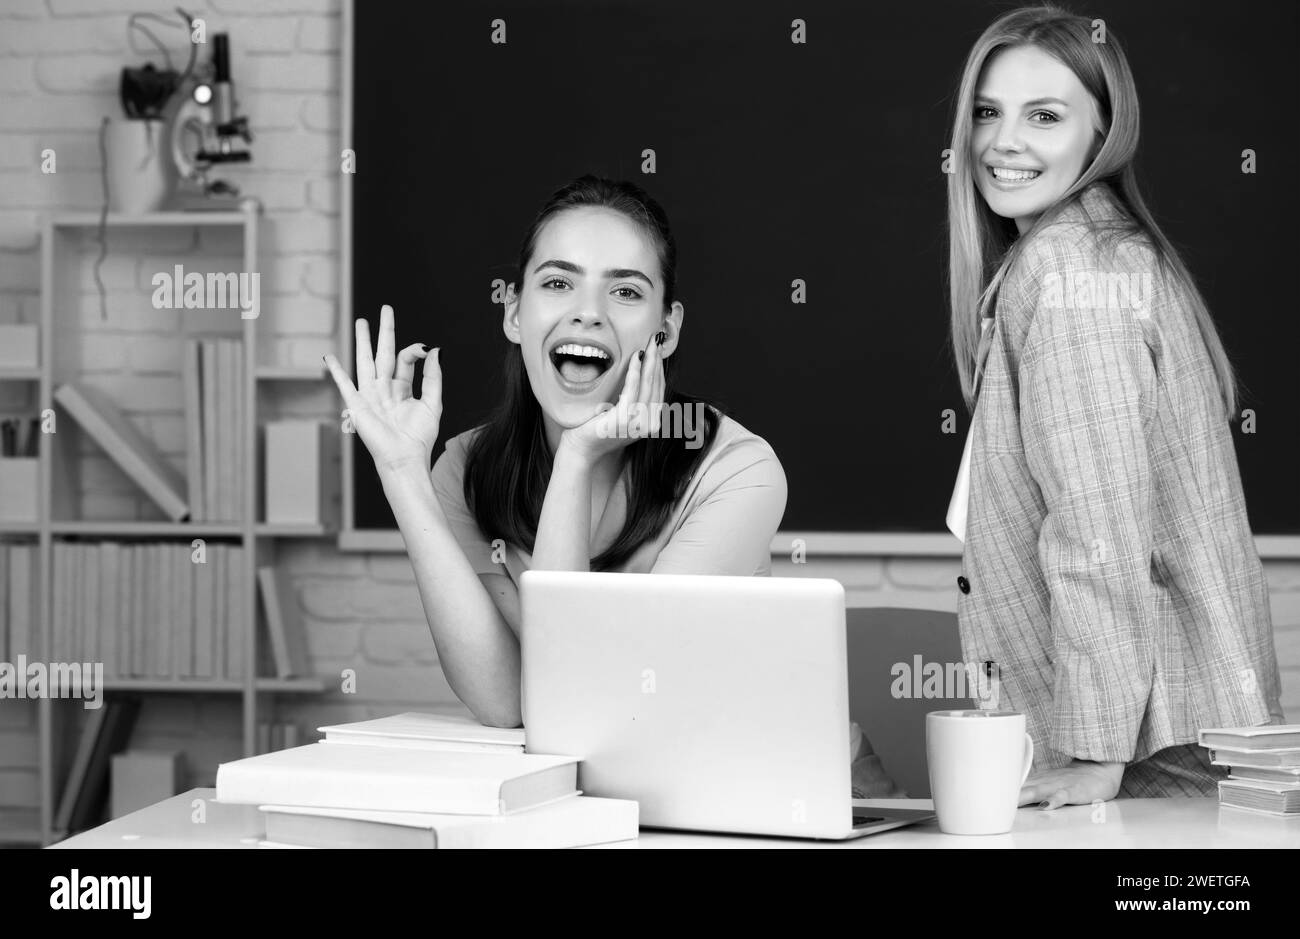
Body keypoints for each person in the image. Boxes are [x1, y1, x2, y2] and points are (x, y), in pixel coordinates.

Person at [943, 5, 1284, 807]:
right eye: (987, 113)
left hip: (1142, 753)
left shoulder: (1068, 272)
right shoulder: (1101, 254)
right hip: (1175, 740)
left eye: (1045, 116)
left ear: (1103, 137)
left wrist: (1093, 752)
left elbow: (1096, 529)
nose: (1003, 143)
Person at [324, 175, 787, 728]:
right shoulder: (466, 471)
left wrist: (574, 457)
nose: (588, 313)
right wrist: (402, 472)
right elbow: (504, 703)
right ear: (515, 314)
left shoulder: (738, 472)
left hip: (734, 798)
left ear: (666, 331)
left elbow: (584, 709)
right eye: (558, 283)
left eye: (626, 291)